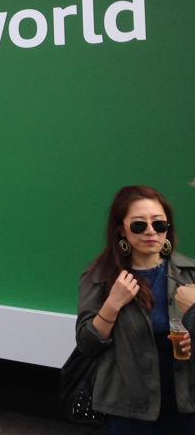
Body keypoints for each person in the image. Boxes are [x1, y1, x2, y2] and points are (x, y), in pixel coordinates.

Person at [75, 185, 195, 433]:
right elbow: (87, 345)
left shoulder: (190, 274)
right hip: (128, 408)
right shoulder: (100, 277)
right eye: (139, 225)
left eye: (159, 224)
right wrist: (112, 305)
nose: (151, 231)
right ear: (121, 229)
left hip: (186, 402)